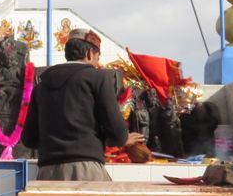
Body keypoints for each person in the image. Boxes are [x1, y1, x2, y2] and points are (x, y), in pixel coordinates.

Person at [21, 28, 145, 180]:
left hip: (47, 173)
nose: (97, 62)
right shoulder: (97, 78)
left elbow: (29, 139)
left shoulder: (41, 87)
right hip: (85, 170)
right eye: (97, 57)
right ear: (89, 54)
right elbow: (116, 134)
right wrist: (124, 137)